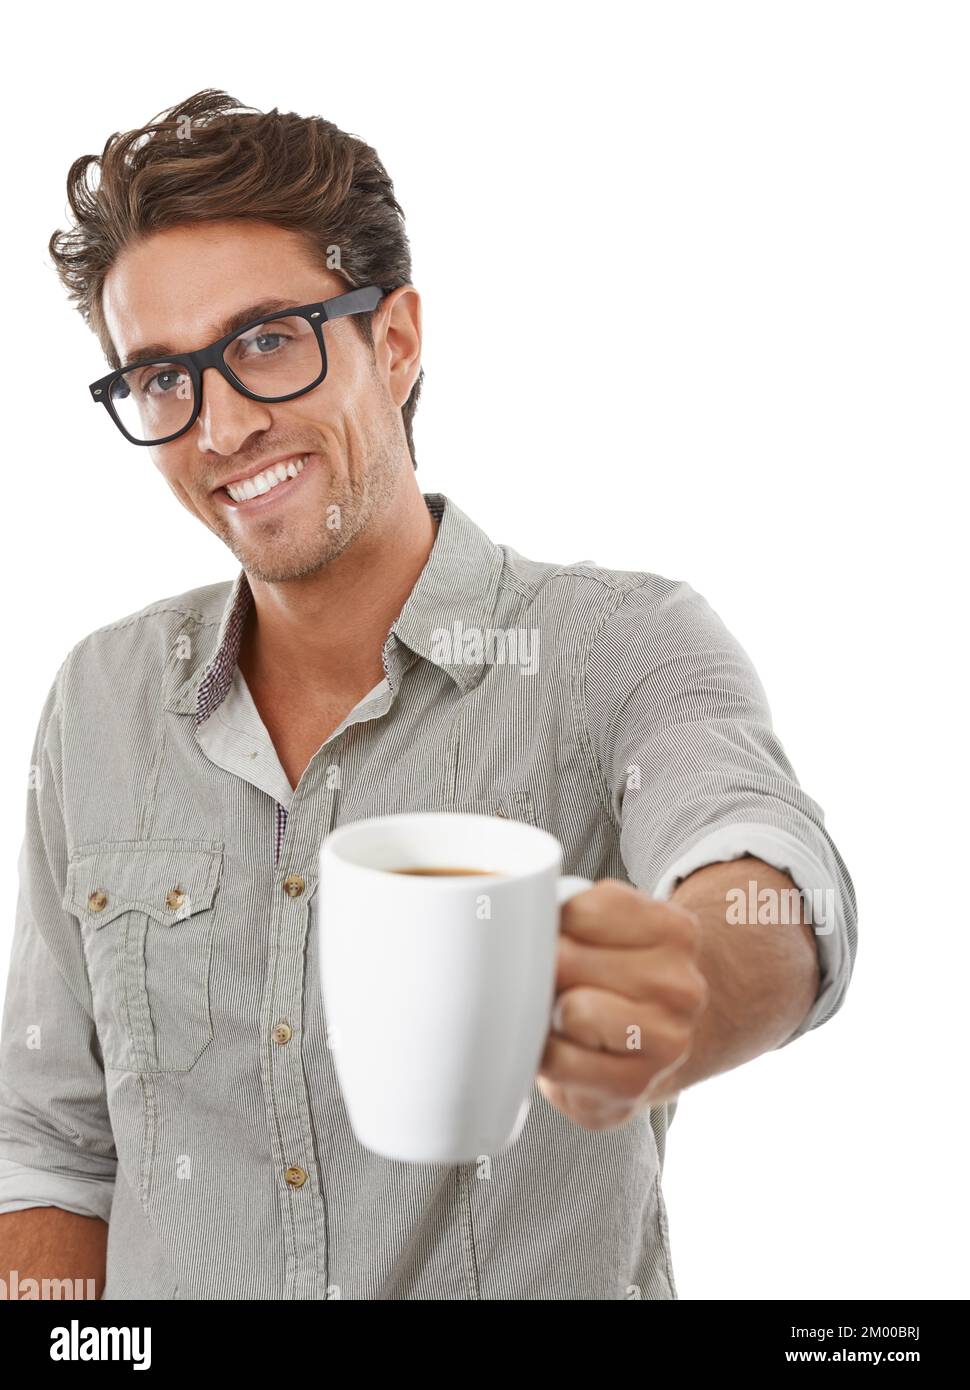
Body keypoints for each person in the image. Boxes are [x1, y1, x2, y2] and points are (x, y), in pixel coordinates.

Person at [0, 90, 856, 1300]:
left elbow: (769, 861)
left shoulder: (611, 646)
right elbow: (51, 1145)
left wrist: (697, 977)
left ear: (394, 340)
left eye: (265, 341)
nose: (223, 426)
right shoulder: (100, 699)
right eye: (160, 377)